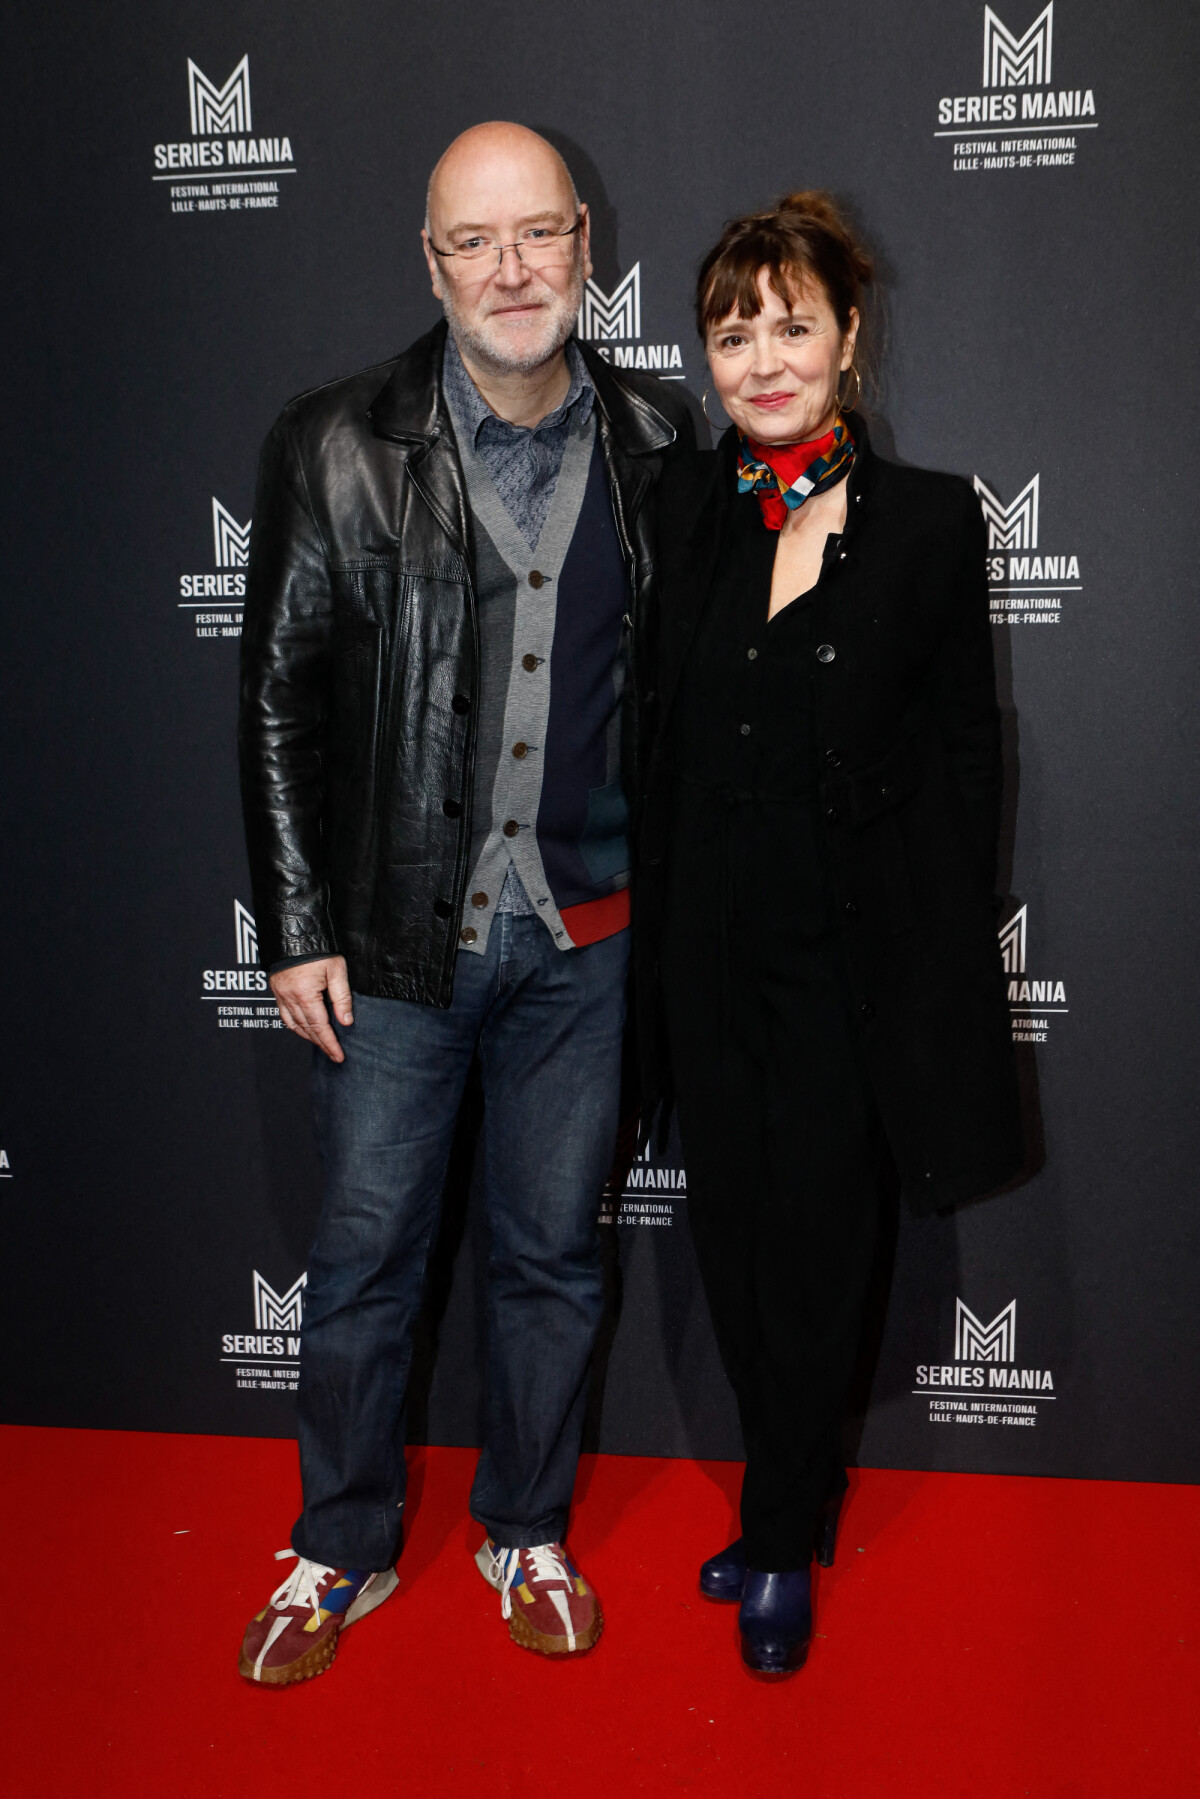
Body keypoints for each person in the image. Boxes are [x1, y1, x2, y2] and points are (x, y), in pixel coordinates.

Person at [236, 121, 692, 1686]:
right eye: (473, 242)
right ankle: (339, 1548)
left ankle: (526, 1527)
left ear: (585, 241)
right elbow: (280, 697)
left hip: (593, 943)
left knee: (554, 1256)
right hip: (399, 948)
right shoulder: (334, 443)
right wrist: (298, 921)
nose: (511, 270)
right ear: (430, 263)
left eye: (539, 235)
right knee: (365, 1256)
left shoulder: (659, 442)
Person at [634, 192, 1024, 1676]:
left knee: (819, 1248)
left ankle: (783, 1535)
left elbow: (968, 756)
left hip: (850, 967)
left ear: (850, 338)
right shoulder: (680, 509)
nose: (762, 360)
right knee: (730, 1245)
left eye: (793, 327)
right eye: (734, 334)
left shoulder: (930, 521)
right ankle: (782, 1495)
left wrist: (943, 945)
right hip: (702, 958)